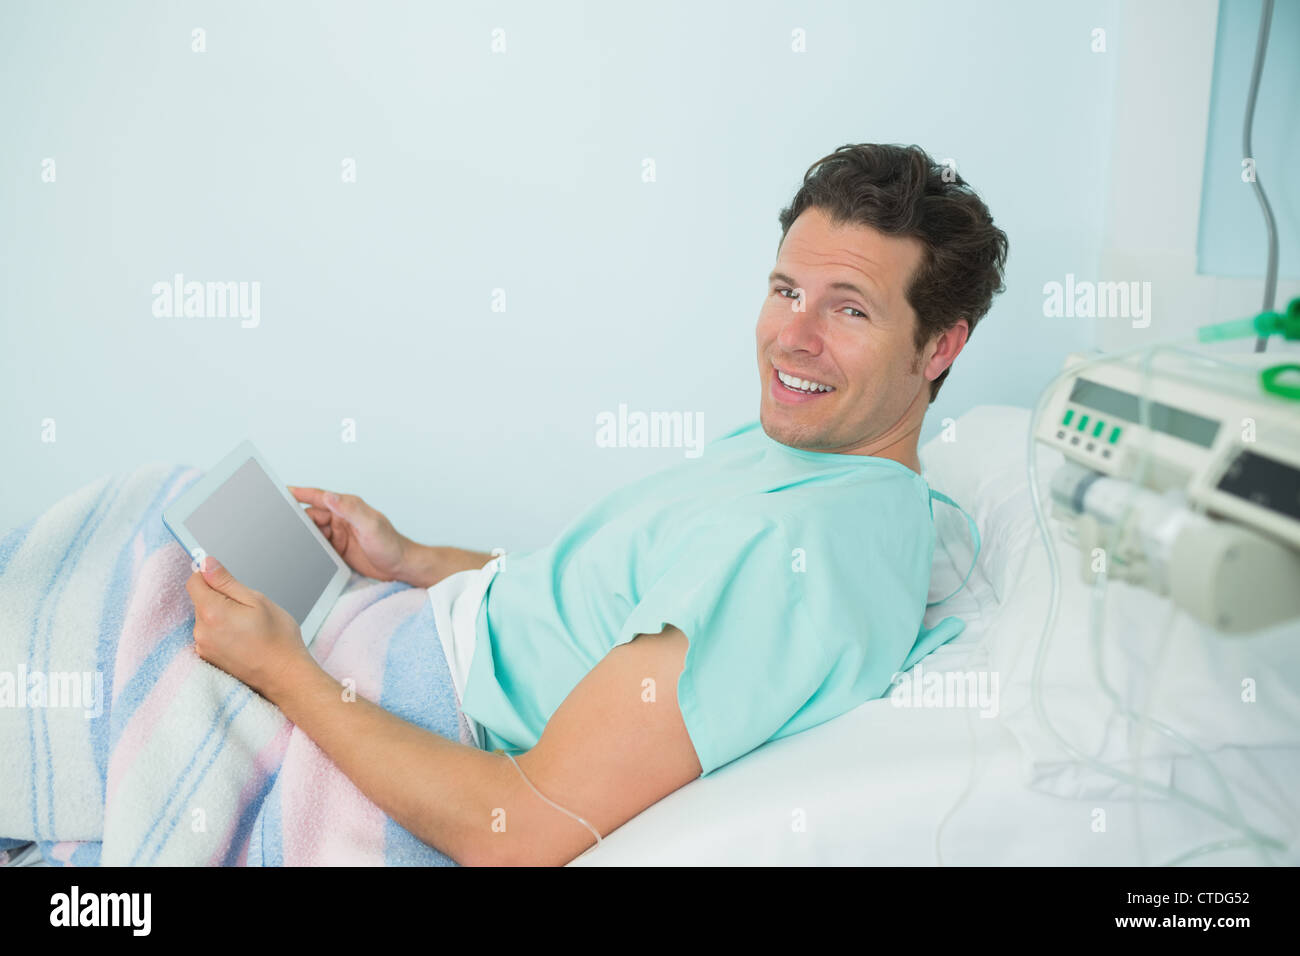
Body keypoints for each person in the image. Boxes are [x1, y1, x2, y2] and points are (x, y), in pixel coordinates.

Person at [184, 143, 1009, 866]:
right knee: (180, 514)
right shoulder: (817, 451)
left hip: (408, 698)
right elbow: (620, 602)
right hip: (417, 621)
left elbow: (516, 834)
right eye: (787, 290)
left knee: (149, 546)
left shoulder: (789, 556)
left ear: (940, 345)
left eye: (850, 308)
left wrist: (282, 670)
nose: (794, 336)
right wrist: (417, 560)